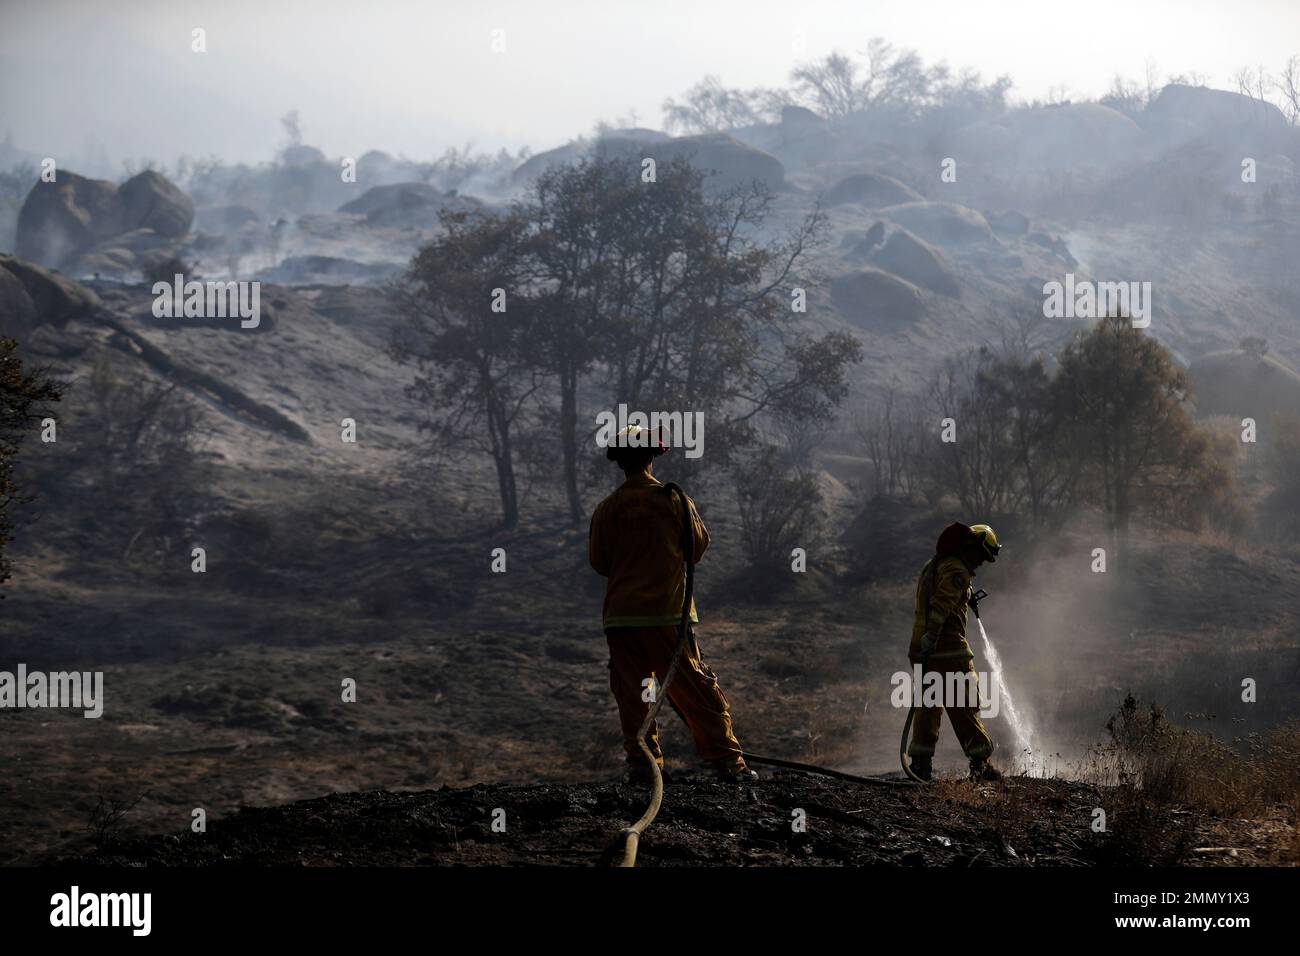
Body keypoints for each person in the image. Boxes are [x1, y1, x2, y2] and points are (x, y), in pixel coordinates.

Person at [588, 425, 755, 783]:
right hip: (666, 615)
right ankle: (729, 763)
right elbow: (697, 548)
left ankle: (643, 767)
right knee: (696, 688)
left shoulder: (607, 509)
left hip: (621, 619)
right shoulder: (673, 499)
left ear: (619, 462)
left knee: (634, 697)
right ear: (652, 457)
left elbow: (600, 563)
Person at [906, 522, 1004, 782]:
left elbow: (943, 592)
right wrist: (934, 633)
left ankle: (920, 765)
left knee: (927, 707)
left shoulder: (935, 565)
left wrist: (966, 593)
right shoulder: (956, 569)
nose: (981, 563)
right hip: (948, 650)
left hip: (922, 652)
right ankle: (980, 764)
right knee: (965, 704)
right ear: (969, 548)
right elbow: (942, 602)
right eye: (981, 556)